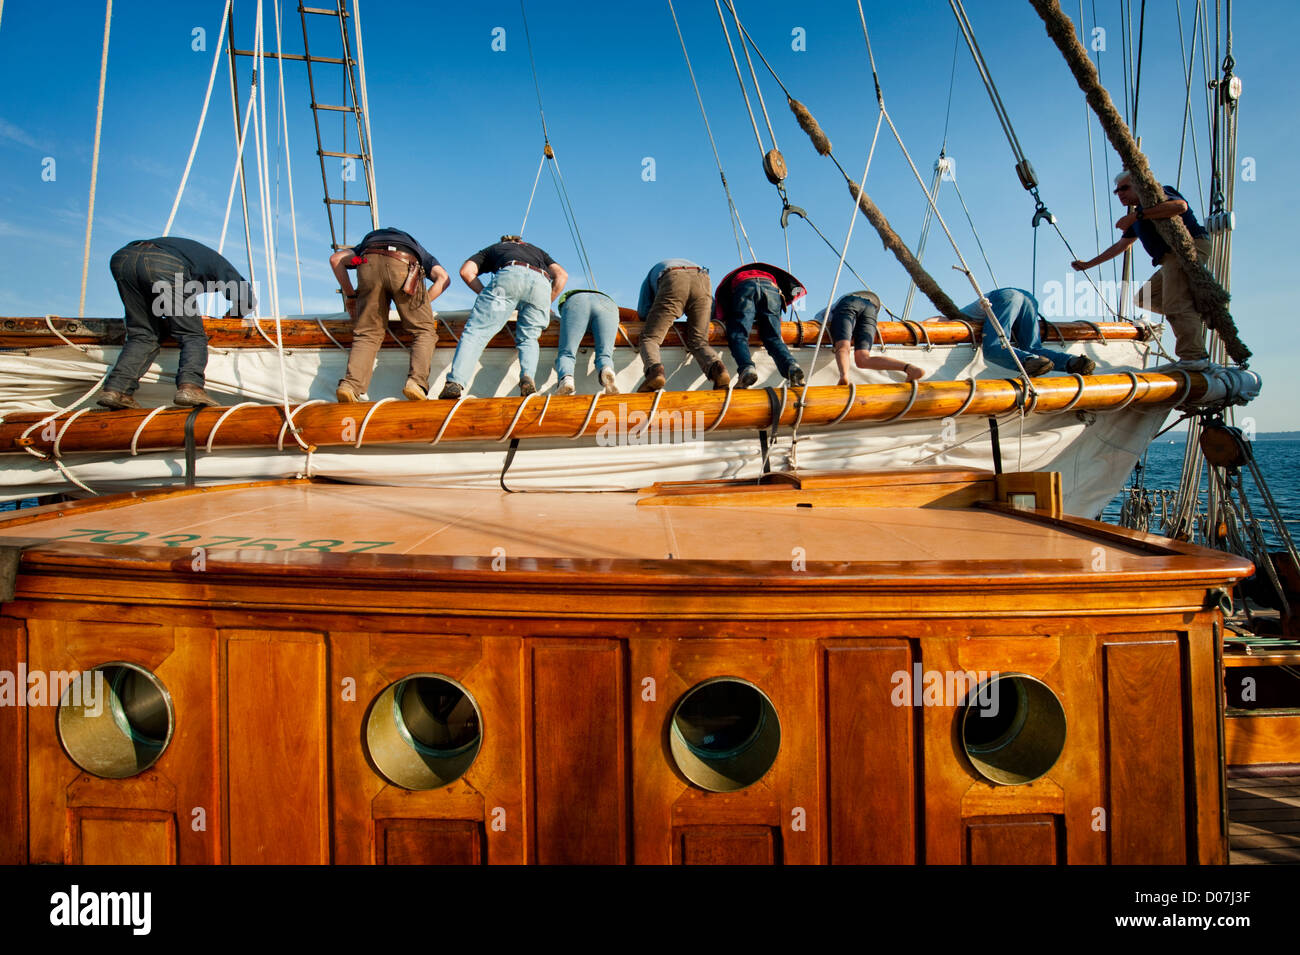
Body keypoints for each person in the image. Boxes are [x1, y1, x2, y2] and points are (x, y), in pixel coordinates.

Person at [1071, 170, 1214, 366]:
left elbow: (1180, 206)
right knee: (1144, 297)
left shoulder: (1157, 195)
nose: (1120, 193)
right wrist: (1087, 264)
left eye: (1124, 188)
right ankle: (1195, 310)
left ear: (1140, 184)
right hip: (1168, 259)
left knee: (1175, 304)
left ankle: (1194, 356)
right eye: (1117, 191)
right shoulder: (1136, 216)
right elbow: (1120, 247)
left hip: (1188, 247)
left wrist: (1138, 216)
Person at [97, 236, 255, 410]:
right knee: (192, 334)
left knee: (143, 335)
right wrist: (232, 318)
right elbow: (246, 298)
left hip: (123, 258)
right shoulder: (221, 267)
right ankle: (191, 387)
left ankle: (116, 390)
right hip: (164, 262)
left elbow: (161, 300)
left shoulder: (194, 260)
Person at [329, 227, 450, 402]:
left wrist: (351, 297)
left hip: (365, 261)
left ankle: (350, 385)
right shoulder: (419, 250)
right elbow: (443, 278)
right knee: (423, 330)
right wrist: (419, 307)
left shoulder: (363, 245)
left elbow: (336, 260)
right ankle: (416, 383)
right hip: (405, 264)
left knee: (367, 334)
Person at [440, 235, 567, 398]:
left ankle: (455, 382)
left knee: (477, 332)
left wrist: (486, 295)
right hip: (541, 285)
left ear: (505, 242)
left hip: (509, 278)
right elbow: (562, 275)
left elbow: (466, 271)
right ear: (520, 242)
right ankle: (527, 377)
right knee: (529, 338)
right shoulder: (537, 251)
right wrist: (546, 303)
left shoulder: (494, 248)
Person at [635, 259, 730, 392]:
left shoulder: (651, 275)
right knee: (699, 341)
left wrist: (667, 317)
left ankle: (655, 373)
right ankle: (719, 370)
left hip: (673, 277)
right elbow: (711, 308)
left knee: (650, 338)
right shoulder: (687, 263)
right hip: (703, 277)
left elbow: (643, 312)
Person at [961, 287, 1096, 376]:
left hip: (1006, 298)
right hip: (1026, 297)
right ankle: (1073, 361)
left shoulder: (954, 317)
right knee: (1032, 347)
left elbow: (941, 321)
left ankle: (1030, 361)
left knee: (994, 347)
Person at [714, 262, 807, 388]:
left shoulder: (734, 281)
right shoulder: (770, 276)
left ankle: (747, 369)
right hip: (772, 288)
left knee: (739, 335)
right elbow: (775, 320)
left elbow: (724, 313)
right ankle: (791, 366)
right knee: (774, 338)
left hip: (744, 286)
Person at [816, 290, 923, 385]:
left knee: (843, 347)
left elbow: (818, 326)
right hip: (871, 308)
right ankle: (910, 368)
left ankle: (844, 376)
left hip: (848, 302)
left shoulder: (822, 314)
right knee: (863, 359)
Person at [555, 289, 619, 395]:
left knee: (567, 353)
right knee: (605, 354)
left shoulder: (566, 301)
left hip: (576, 301)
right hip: (608, 303)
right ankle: (606, 368)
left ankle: (566, 378)